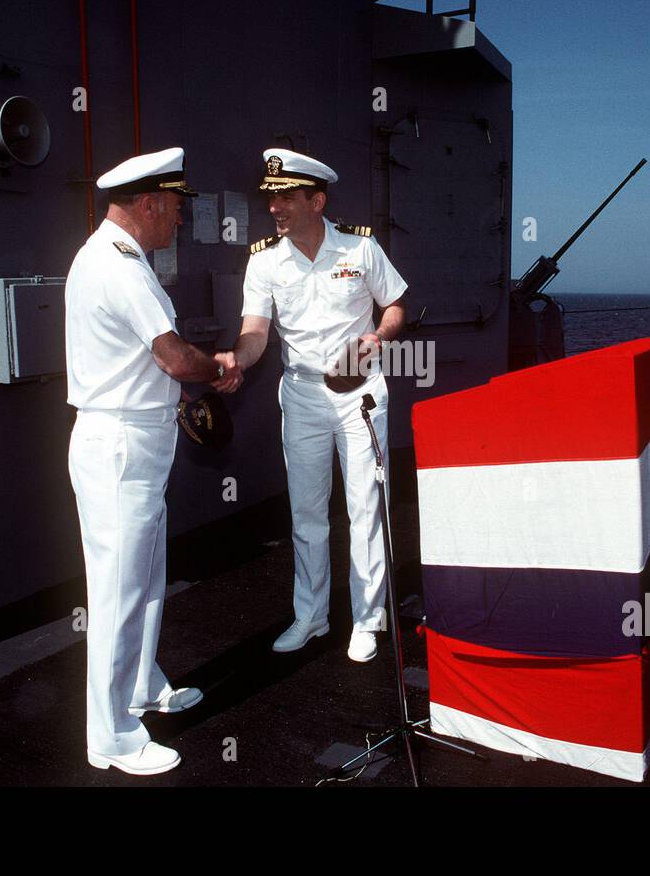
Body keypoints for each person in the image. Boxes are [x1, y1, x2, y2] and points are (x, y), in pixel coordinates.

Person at [65, 147, 233, 775]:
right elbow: (174, 360)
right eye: (176, 210)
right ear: (149, 203)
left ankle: (140, 686)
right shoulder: (121, 268)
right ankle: (109, 737)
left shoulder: (106, 255)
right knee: (116, 592)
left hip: (135, 442)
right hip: (120, 445)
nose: (180, 222)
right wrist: (220, 366)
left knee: (145, 580)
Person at [227, 149, 408, 663]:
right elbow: (256, 333)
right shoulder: (264, 261)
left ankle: (368, 619)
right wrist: (234, 361)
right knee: (306, 512)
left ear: (316, 201)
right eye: (272, 199)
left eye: (285, 198)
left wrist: (376, 337)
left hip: (359, 393)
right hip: (302, 394)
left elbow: (395, 304)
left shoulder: (360, 249)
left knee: (365, 507)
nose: (275, 208)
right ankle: (311, 615)